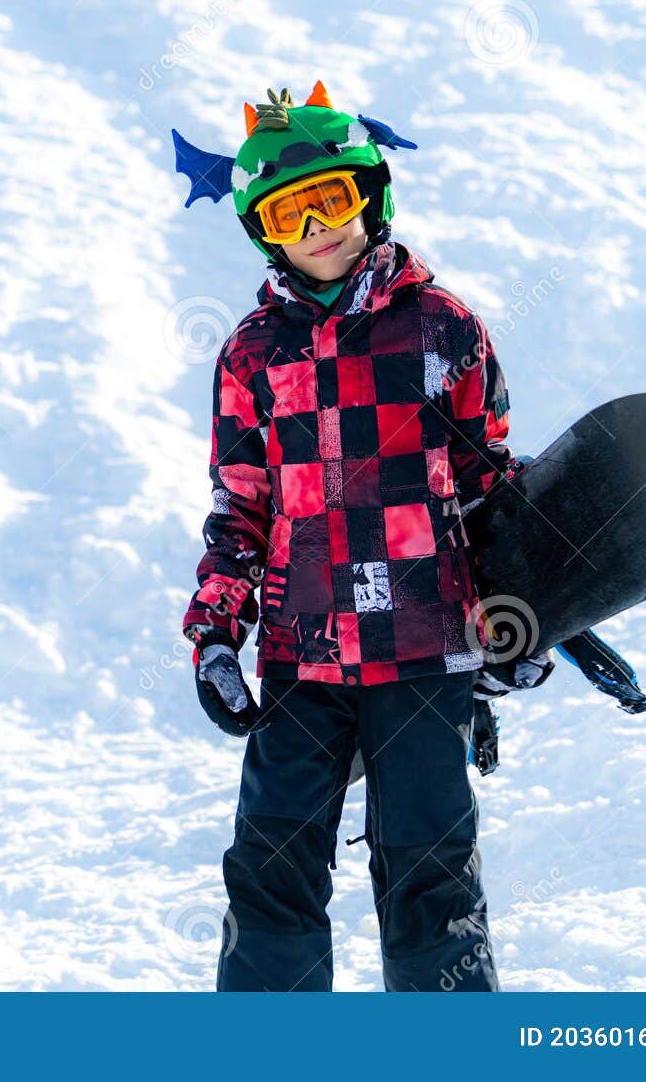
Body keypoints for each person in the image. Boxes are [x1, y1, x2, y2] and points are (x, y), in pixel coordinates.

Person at [172, 81, 547, 992]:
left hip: (427, 654)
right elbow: (242, 506)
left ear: (370, 194)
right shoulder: (255, 354)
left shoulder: (444, 328)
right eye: (291, 213)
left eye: (333, 199)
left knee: (430, 874)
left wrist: (523, 617)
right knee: (270, 867)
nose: (319, 228)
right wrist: (216, 631)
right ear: (265, 230)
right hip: (303, 660)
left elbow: (488, 487)